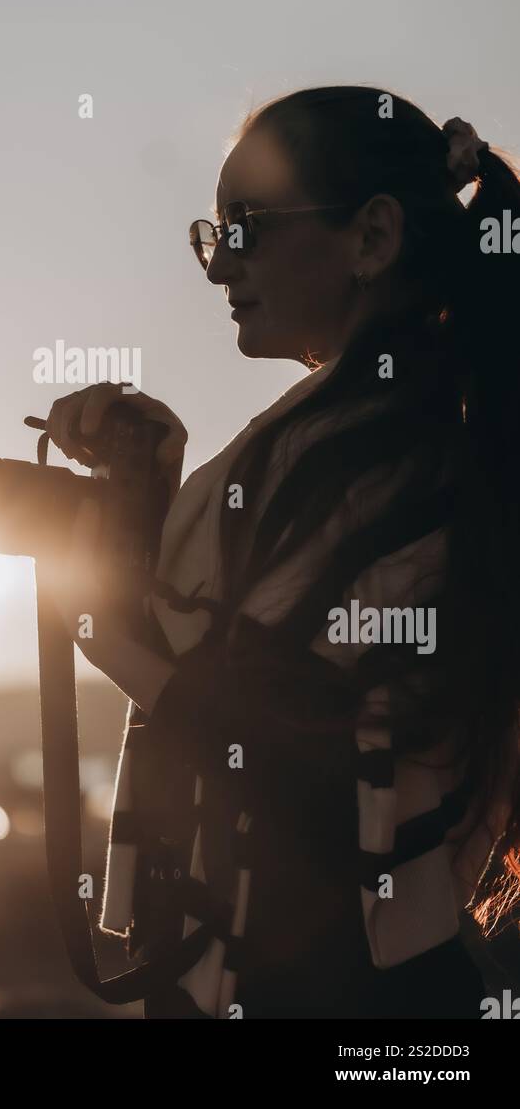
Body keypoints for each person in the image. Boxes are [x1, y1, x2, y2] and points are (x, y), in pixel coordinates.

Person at [45, 85, 520, 1019]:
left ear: (372, 238)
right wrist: (150, 490)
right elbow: (251, 666)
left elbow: (301, 750)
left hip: (332, 992)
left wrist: (104, 629)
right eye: (211, 233)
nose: (219, 267)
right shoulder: (389, 429)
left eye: (246, 227)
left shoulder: (388, 454)